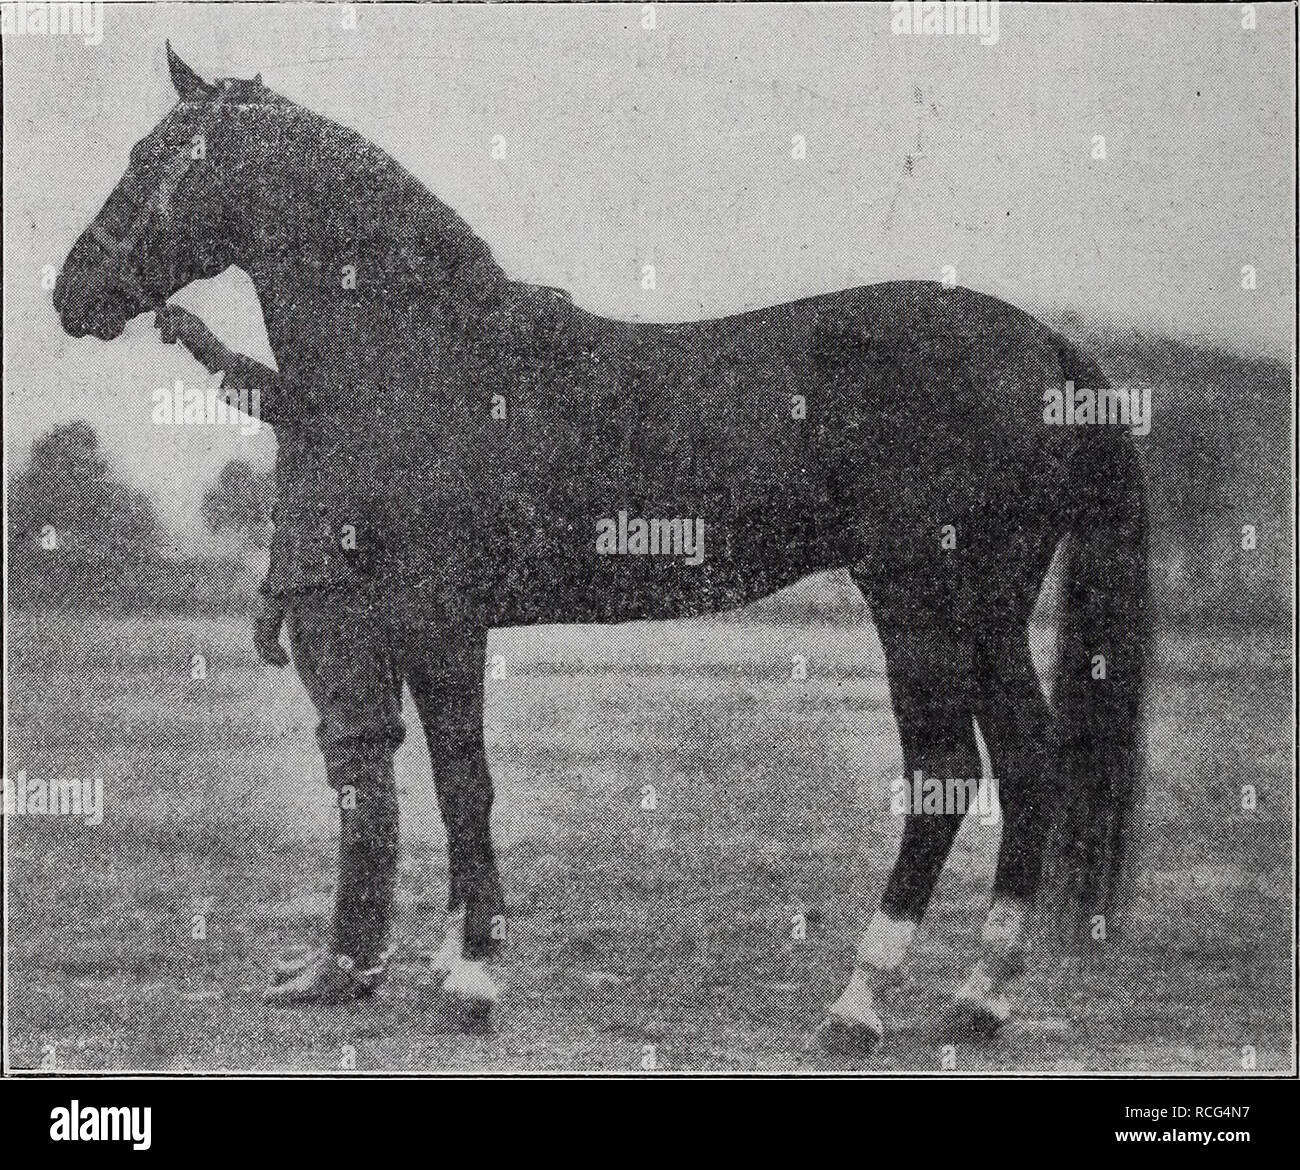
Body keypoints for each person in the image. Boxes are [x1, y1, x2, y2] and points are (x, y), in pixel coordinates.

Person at [154, 305, 504, 1006]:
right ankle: (357, 951)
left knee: (358, 766)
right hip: (331, 591)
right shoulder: (393, 377)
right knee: (361, 766)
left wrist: (205, 345)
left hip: (339, 598)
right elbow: (297, 484)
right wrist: (273, 595)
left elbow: (275, 407)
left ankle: (353, 959)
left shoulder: (347, 376)